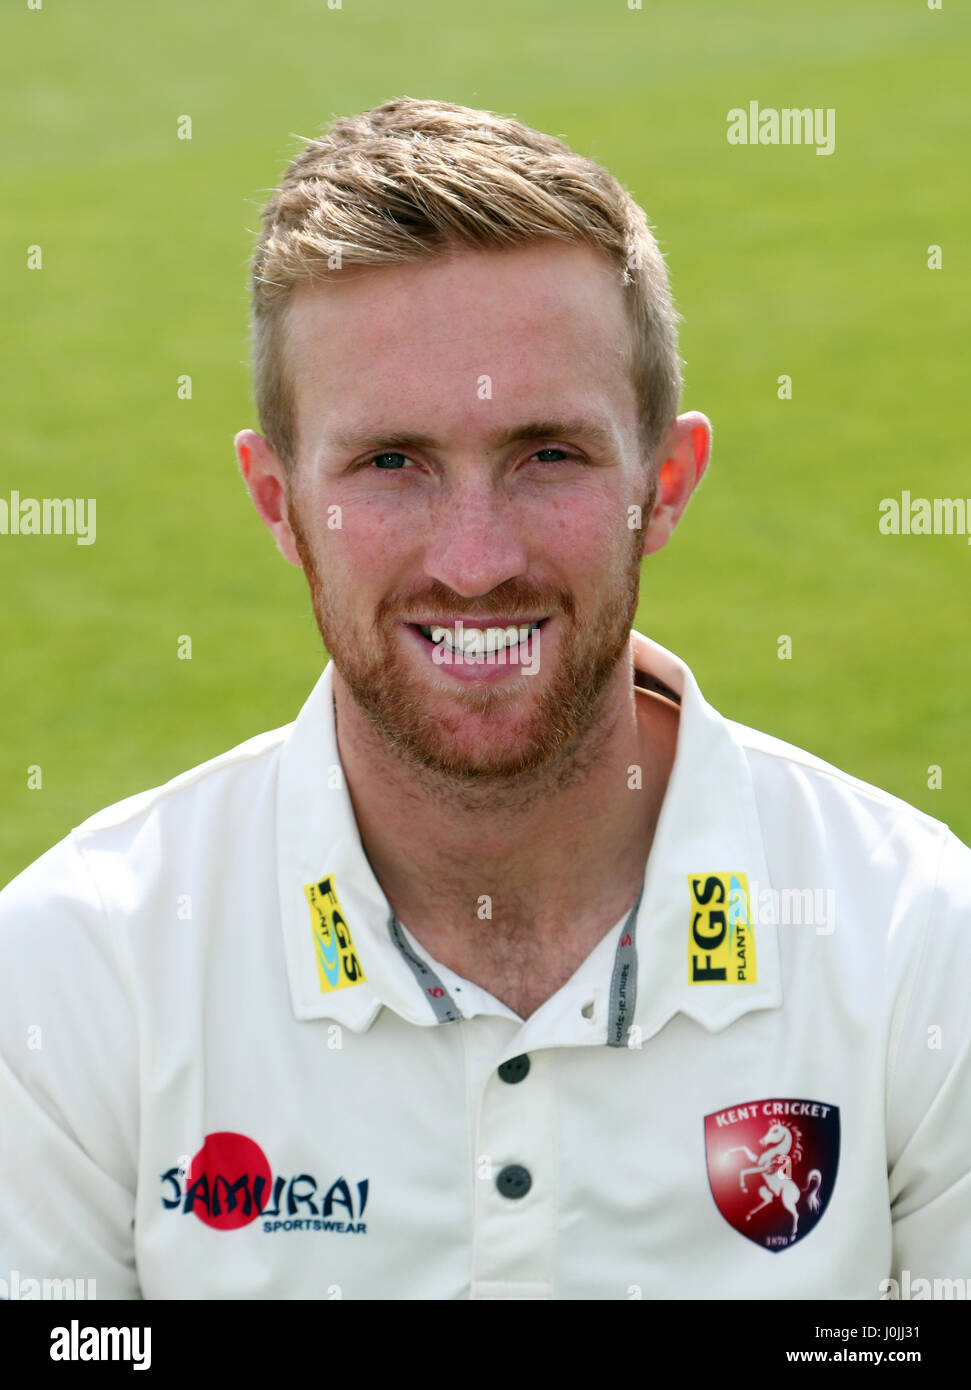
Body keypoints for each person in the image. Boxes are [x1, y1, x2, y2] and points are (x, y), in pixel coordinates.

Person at [1, 97, 968, 1302]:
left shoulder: (922, 939)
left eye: (547, 455)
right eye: (390, 463)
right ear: (279, 504)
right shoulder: (75, 969)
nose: (474, 558)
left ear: (663, 484)